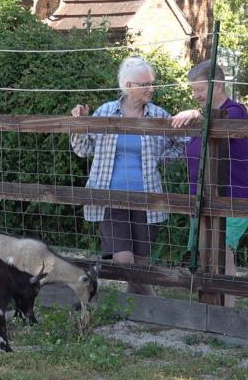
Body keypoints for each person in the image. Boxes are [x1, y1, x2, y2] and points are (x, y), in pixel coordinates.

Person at [70, 56, 185, 296]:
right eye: (145, 84)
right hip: (110, 197)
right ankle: (155, 304)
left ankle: (136, 310)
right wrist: (79, 124)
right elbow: (82, 149)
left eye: (152, 83)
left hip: (147, 198)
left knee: (140, 264)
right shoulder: (105, 112)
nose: (151, 88)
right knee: (124, 261)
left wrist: (162, 157)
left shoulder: (158, 115)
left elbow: (182, 146)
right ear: (129, 86)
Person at [171, 60, 248, 307]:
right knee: (205, 256)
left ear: (217, 84)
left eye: (200, 89)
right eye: (194, 90)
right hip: (203, 199)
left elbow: (222, 122)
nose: (196, 95)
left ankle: (226, 314)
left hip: (232, 199)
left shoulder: (236, 110)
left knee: (222, 255)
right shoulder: (201, 119)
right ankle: (210, 313)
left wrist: (197, 114)